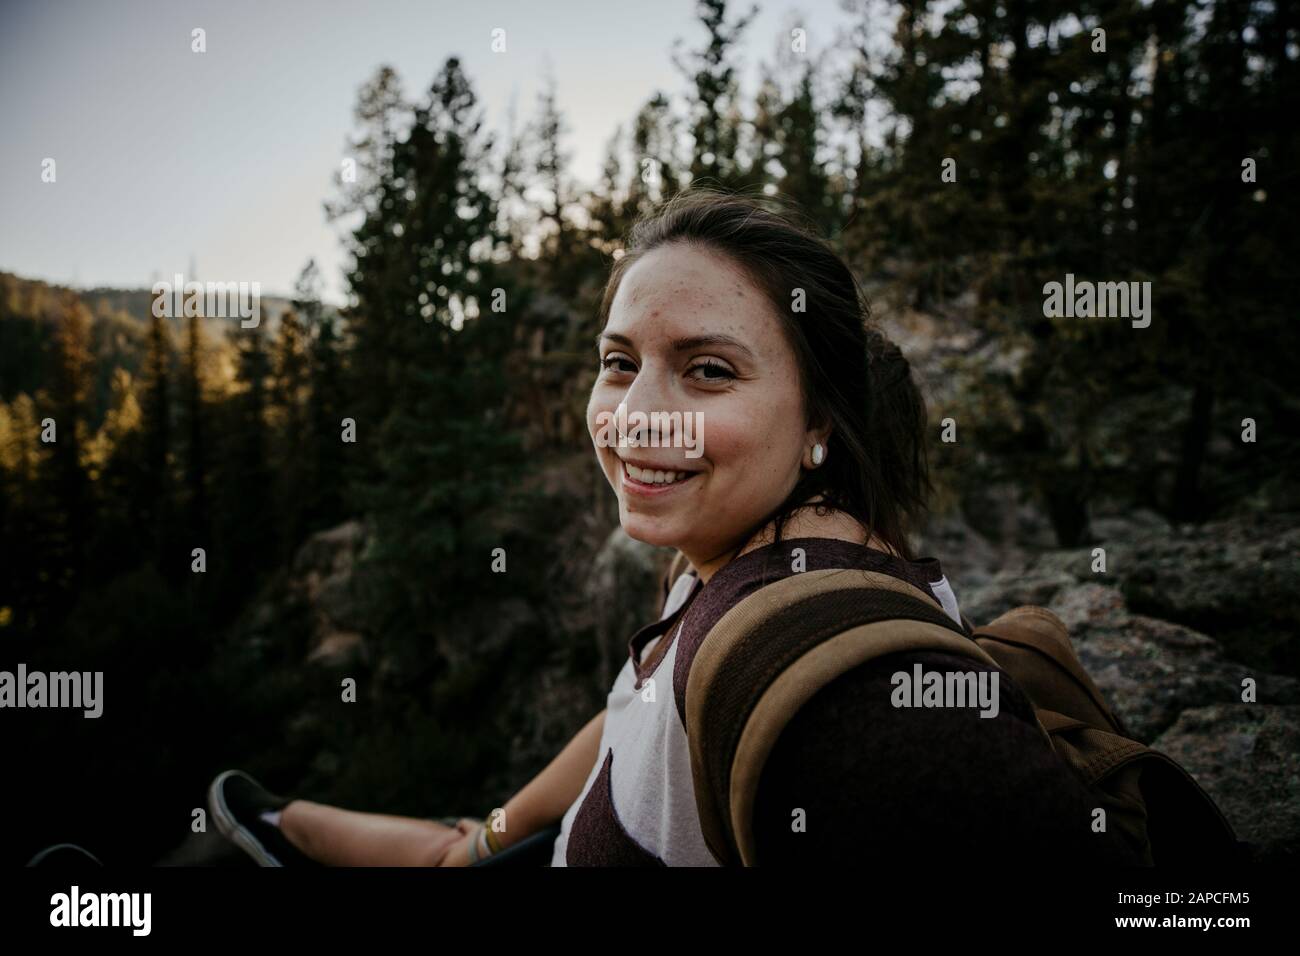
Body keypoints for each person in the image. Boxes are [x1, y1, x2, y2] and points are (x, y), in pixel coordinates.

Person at [209, 188, 1143, 866]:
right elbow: (642, 703)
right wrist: (491, 835)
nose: (636, 417)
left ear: (821, 422)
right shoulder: (732, 548)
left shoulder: (847, 703)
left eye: (709, 372)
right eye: (620, 362)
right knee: (288, 828)